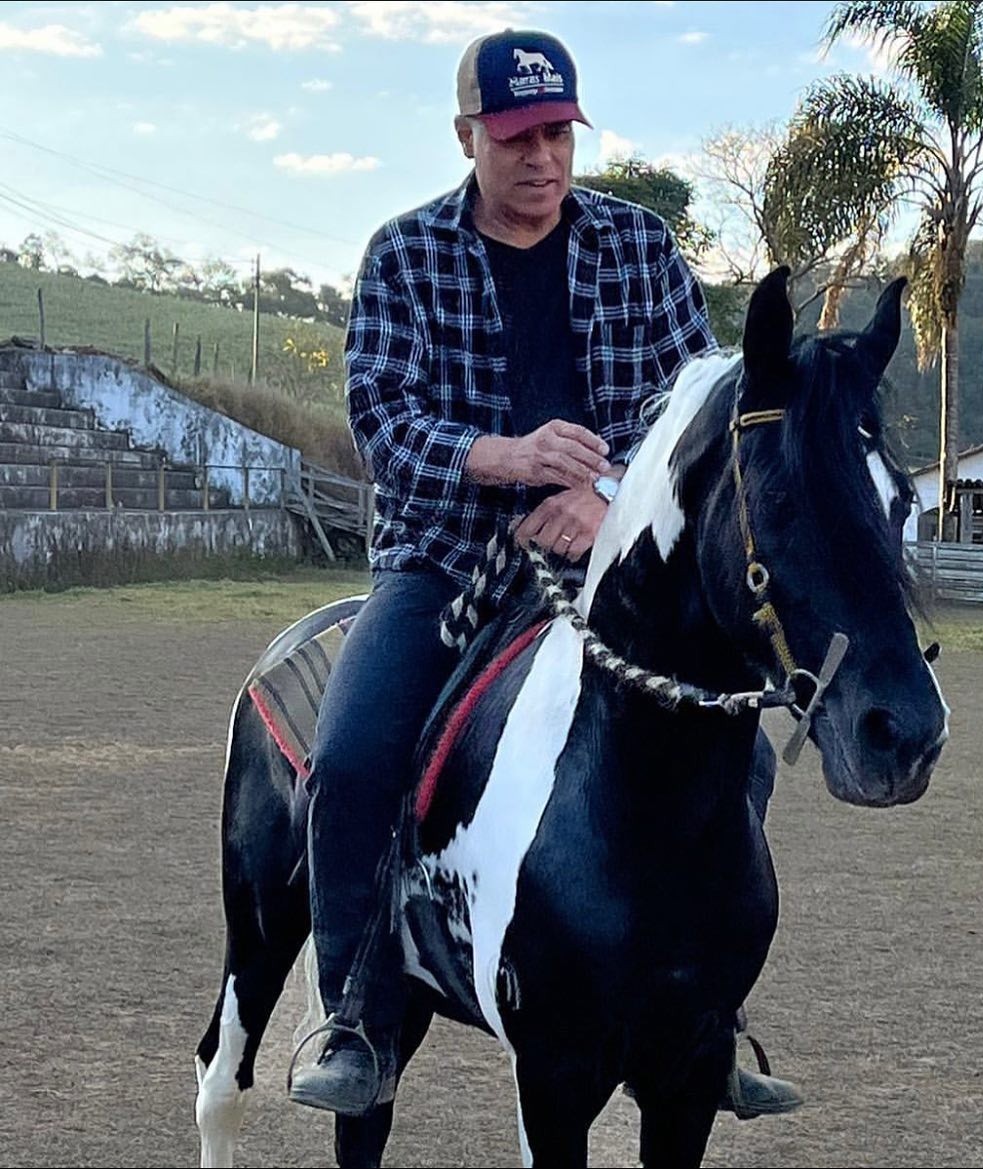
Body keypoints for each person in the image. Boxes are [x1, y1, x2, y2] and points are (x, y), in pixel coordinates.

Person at [288, 27, 801, 1122]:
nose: (542, 159)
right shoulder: (403, 254)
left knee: (735, 757)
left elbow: (691, 409)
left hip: (613, 572)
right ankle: (355, 1011)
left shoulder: (639, 246)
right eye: (517, 137)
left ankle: (707, 1018)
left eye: (558, 133)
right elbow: (382, 416)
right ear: (466, 133)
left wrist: (607, 496)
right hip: (447, 561)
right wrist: (506, 461)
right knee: (348, 757)